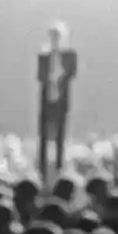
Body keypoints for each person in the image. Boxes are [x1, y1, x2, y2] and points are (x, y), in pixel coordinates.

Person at [37, 20, 78, 183]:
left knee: (61, 136)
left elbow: (72, 73)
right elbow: (40, 77)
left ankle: (60, 168)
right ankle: (42, 170)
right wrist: (50, 75)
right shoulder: (44, 56)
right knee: (44, 137)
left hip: (61, 101)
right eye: (53, 36)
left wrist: (59, 75)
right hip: (47, 101)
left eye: (58, 36)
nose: (55, 39)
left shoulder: (69, 55)